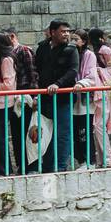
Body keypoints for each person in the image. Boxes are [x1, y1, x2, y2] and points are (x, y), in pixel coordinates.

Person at [33, 19, 80, 172]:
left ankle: (60, 166)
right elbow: (37, 70)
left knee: (62, 133)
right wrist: (35, 93)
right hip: (45, 98)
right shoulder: (42, 48)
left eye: (68, 31)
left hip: (62, 98)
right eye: (63, 31)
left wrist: (58, 84)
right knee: (45, 132)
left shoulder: (71, 50)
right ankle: (46, 166)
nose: (66, 34)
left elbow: (73, 71)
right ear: (53, 32)